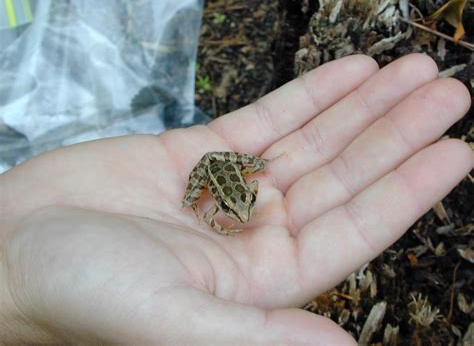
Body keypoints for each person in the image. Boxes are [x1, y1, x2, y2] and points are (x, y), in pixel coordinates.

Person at [0, 53, 472, 344]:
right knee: (200, 190)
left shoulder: (245, 198)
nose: (240, 215)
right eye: (236, 211)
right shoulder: (225, 205)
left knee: (250, 169)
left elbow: (246, 189)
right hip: (213, 167)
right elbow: (214, 187)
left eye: (241, 209)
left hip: (228, 164)